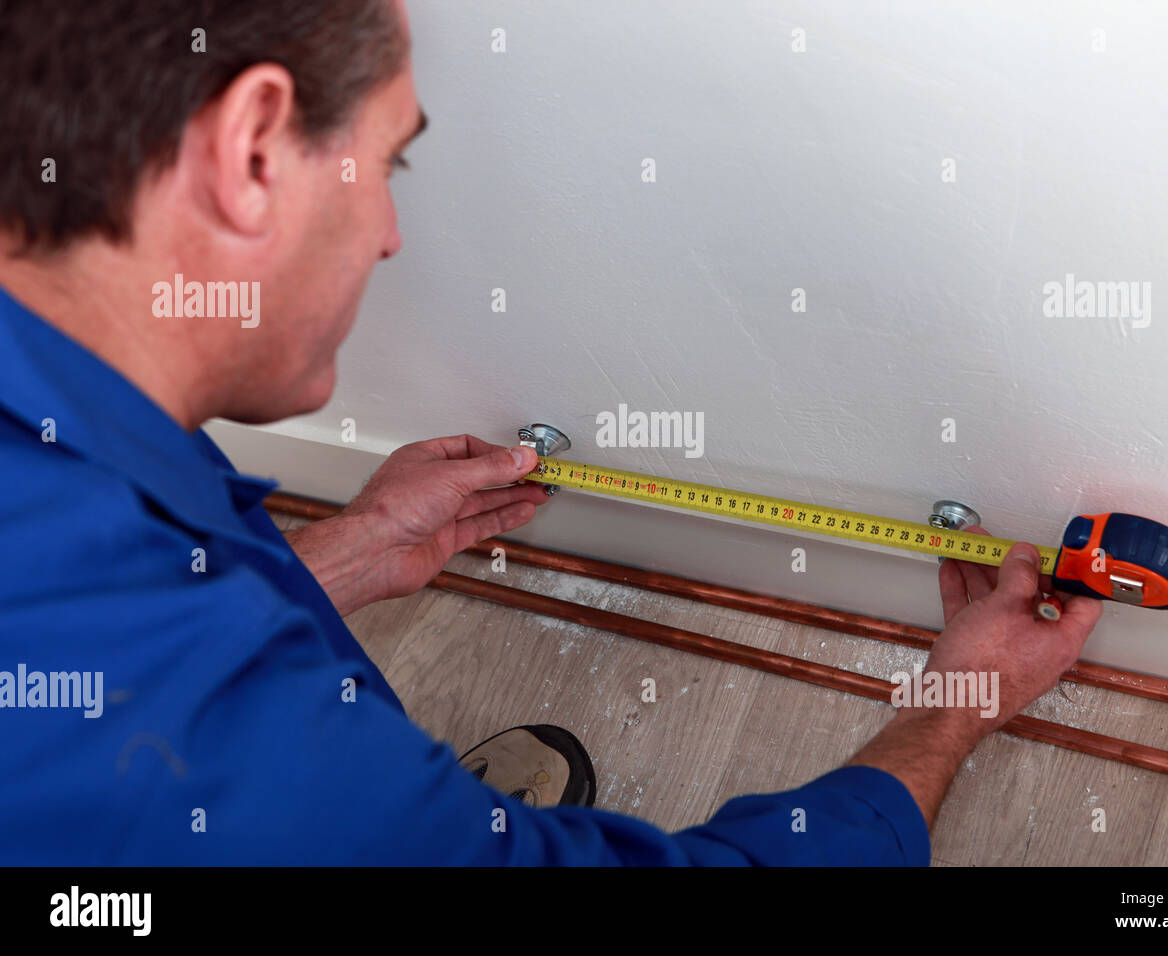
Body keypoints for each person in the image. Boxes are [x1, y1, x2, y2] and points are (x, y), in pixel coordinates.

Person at [0, 0, 1103, 865]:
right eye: (393, 163)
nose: (388, 235)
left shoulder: (71, 472)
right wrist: (953, 706)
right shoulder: (232, 775)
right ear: (250, 152)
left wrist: (341, 555)